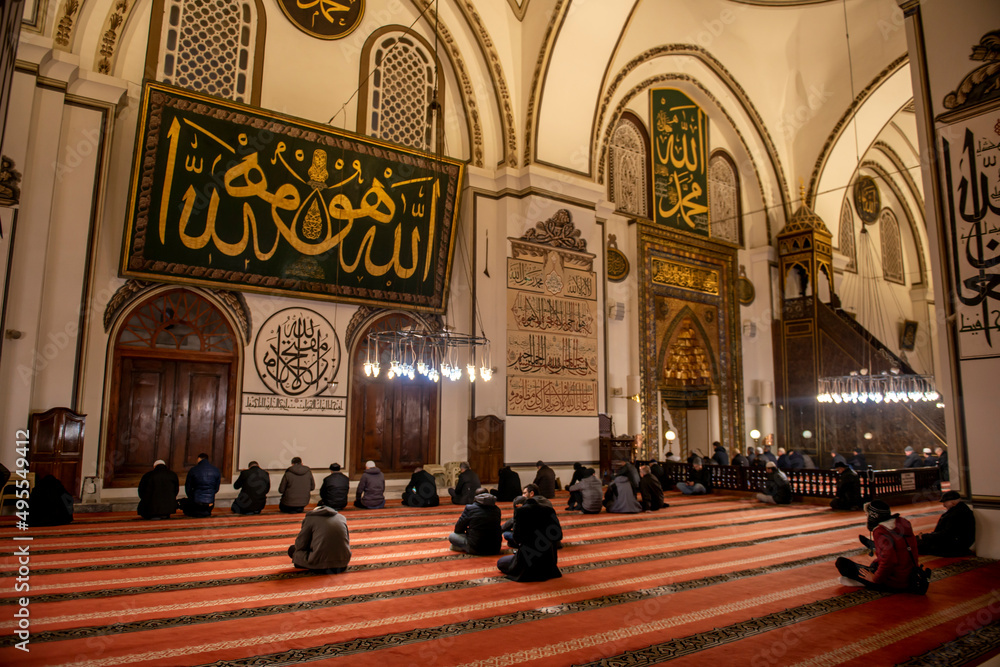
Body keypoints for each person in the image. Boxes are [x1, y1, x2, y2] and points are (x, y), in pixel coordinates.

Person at [835, 500, 917, 591]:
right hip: (910, 576)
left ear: (872, 516)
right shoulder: (901, 522)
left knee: (842, 563)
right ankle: (873, 546)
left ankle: (864, 582)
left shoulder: (880, 531)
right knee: (875, 563)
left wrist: (875, 578)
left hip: (896, 581)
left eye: (867, 515)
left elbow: (889, 560)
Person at [497, 496, 563, 582]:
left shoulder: (520, 512)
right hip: (547, 562)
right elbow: (558, 536)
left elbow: (517, 538)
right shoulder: (549, 510)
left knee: (501, 562)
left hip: (527, 562)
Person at [287, 504, 351, 574]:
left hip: (320, 565)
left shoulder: (310, 519)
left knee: (292, 550)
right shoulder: (341, 518)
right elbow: (346, 541)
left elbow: (300, 544)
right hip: (342, 564)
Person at [915, 491, 976, 557]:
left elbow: (945, 534)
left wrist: (925, 536)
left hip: (954, 546)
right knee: (917, 540)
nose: (944, 505)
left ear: (953, 503)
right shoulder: (961, 509)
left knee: (917, 544)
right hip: (957, 543)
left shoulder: (955, 514)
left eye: (945, 502)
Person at [448, 490, 502, 555]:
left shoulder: (470, 508)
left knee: (452, 536)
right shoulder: (497, 509)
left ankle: (463, 547)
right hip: (495, 548)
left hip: (476, 548)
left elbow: (458, 529)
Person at [181, 453, 221, 517]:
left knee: (184, 503)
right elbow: (216, 488)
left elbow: (188, 487)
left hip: (196, 502)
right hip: (209, 503)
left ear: (199, 459)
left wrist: (191, 497)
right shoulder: (216, 470)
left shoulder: (193, 470)